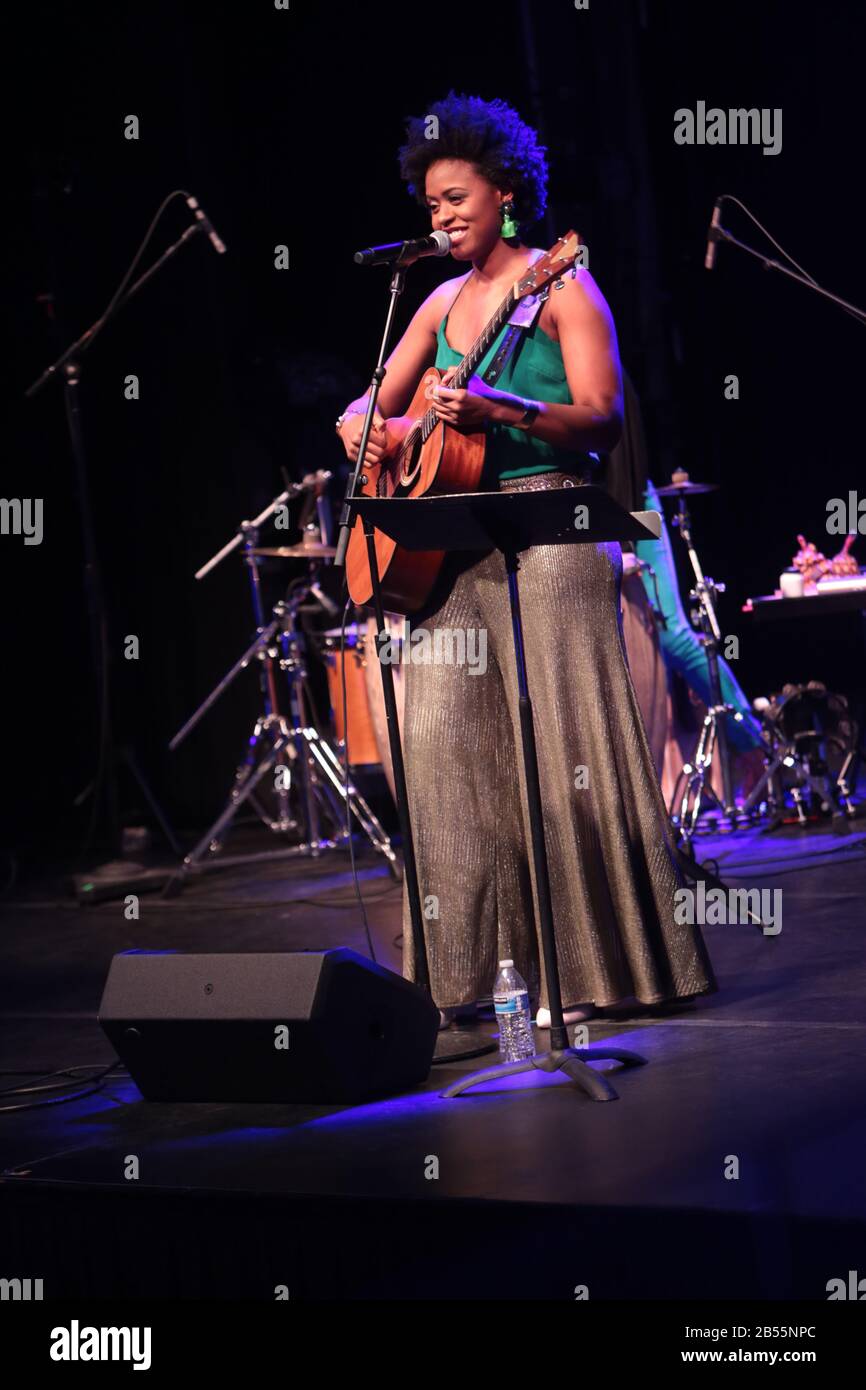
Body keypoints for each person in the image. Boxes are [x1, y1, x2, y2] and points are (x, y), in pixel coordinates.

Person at [336, 92, 717, 1029]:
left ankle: (608, 965)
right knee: (443, 746)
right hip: (450, 536)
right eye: (430, 206)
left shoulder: (565, 287)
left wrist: (504, 411)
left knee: (566, 747)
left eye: (457, 197)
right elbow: (366, 410)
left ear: (507, 194)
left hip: (551, 520)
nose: (442, 216)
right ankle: (477, 977)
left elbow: (604, 417)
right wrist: (371, 429)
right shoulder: (433, 299)